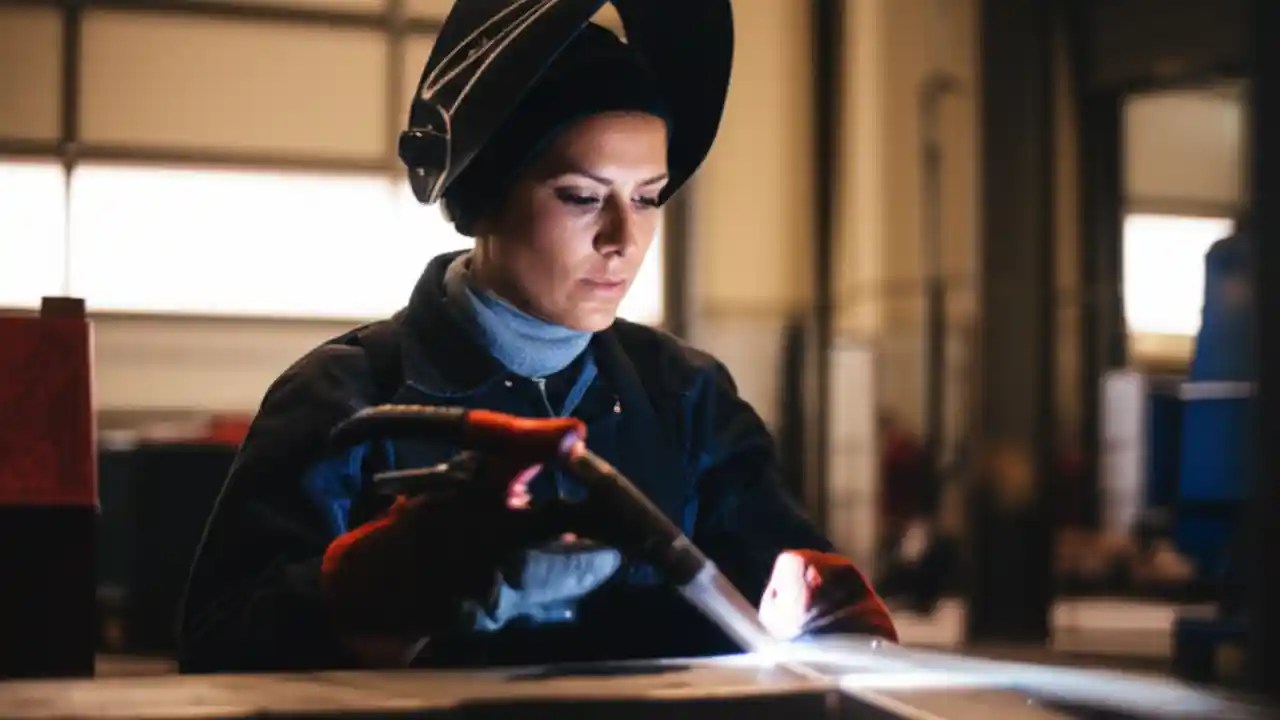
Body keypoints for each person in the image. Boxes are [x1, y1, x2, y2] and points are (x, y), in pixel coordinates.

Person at [178, 1, 894, 673]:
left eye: (648, 198)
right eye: (582, 197)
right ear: (485, 195)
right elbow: (219, 648)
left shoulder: (687, 399)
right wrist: (373, 589)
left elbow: (786, 587)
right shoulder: (344, 396)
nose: (624, 239)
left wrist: (822, 607)